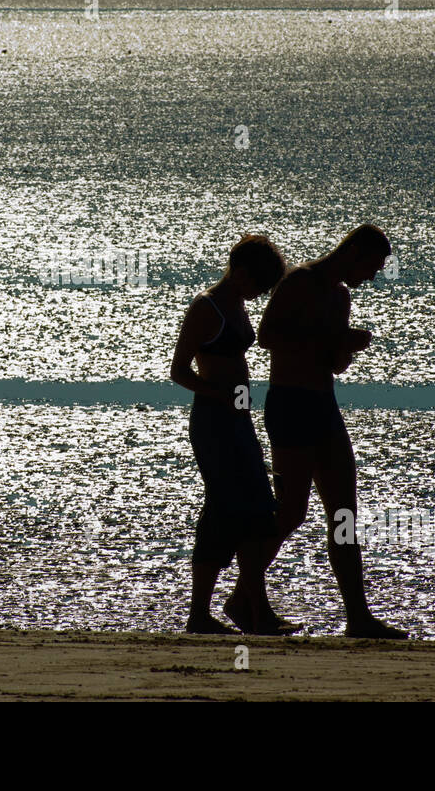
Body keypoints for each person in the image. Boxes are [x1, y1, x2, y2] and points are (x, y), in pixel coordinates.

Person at [255, 224, 407, 639]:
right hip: (290, 402)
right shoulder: (300, 281)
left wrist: (345, 347)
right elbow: (267, 336)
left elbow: (332, 362)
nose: (374, 276)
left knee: (344, 513)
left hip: (324, 404)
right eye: (372, 265)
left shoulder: (341, 296)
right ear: (353, 251)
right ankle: (245, 593)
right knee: (291, 512)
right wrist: (332, 337)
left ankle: (357, 616)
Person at [170, 235, 289, 634]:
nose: (259, 294)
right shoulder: (206, 308)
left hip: (238, 419)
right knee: (225, 509)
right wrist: (219, 394)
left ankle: (252, 608)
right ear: (240, 273)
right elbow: (179, 371)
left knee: (257, 508)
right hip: (213, 421)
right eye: (258, 284)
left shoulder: (237, 303)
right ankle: (204, 614)